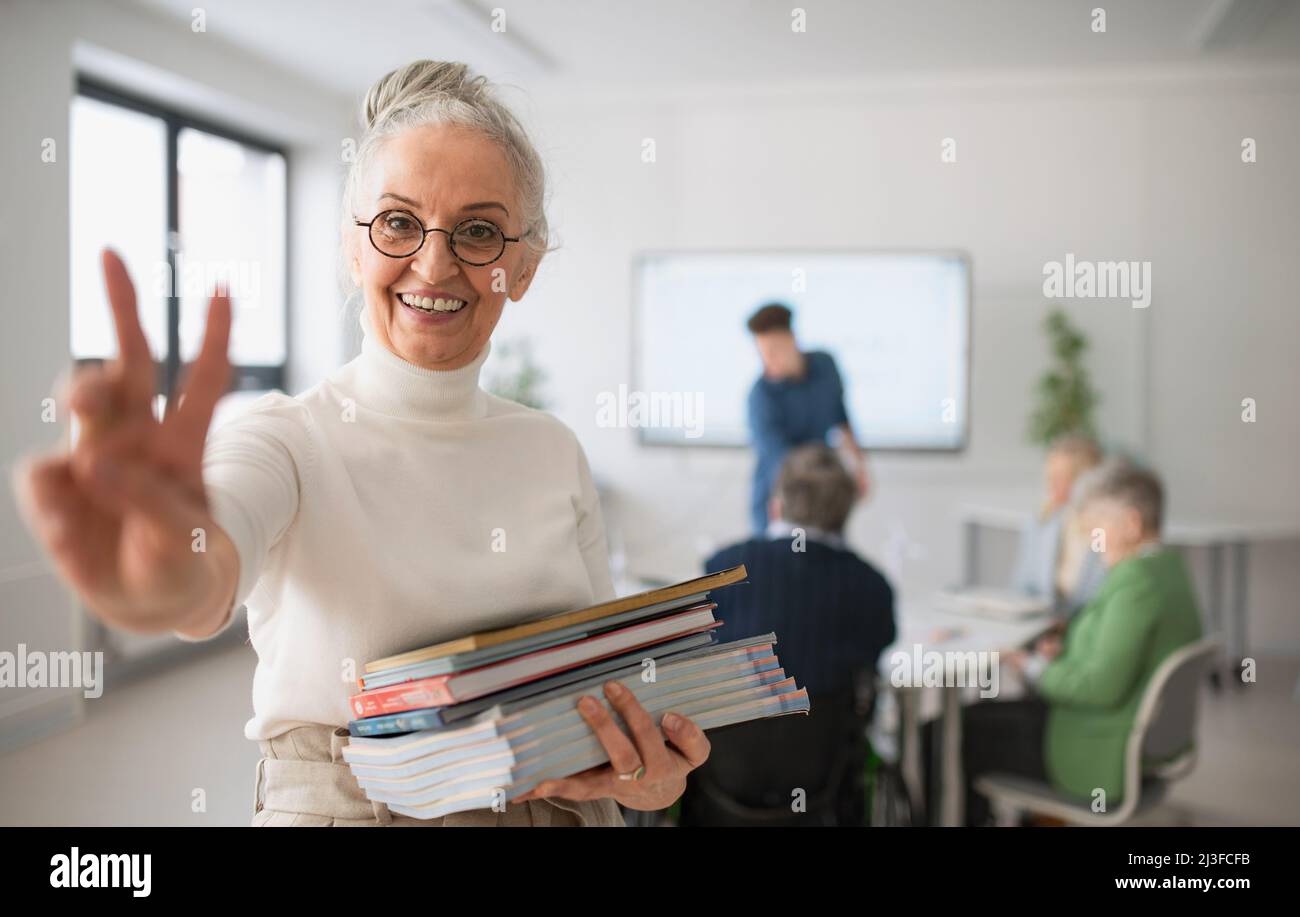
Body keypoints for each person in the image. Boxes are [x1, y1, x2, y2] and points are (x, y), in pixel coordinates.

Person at [13, 60, 711, 827]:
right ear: (353, 248)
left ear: (523, 266)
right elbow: (203, 572)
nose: (435, 263)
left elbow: (605, 706)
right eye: (399, 222)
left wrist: (649, 779)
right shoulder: (285, 439)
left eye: (479, 230)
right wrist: (156, 572)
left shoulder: (554, 449)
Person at [929, 459, 1203, 825]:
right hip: (1123, 734)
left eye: (1097, 533)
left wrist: (1030, 666)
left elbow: (1099, 687)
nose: (1093, 545)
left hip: (1094, 749)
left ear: (1132, 524)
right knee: (977, 717)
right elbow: (1117, 652)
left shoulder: (1136, 583)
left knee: (946, 732)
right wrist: (1065, 650)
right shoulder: (1168, 569)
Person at [681, 446, 894, 824]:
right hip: (824, 788)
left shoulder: (721, 569)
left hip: (720, 783)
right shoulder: (872, 588)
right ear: (846, 512)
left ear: (776, 505)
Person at [746, 303, 869, 536]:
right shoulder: (760, 397)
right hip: (779, 499)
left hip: (823, 497)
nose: (768, 361)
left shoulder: (825, 366)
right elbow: (781, 461)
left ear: (792, 338)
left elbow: (841, 419)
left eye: (773, 350)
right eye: (762, 353)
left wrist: (860, 467)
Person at [1010, 433, 1106, 615]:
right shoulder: (1041, 521)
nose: (1051, 484)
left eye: (1061, 477)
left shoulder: (1101, 530)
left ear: (1085, 480)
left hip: (1087, 628)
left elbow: (1103, 585)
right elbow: (1021, 586)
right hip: (1042, 625)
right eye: (1049, 476)